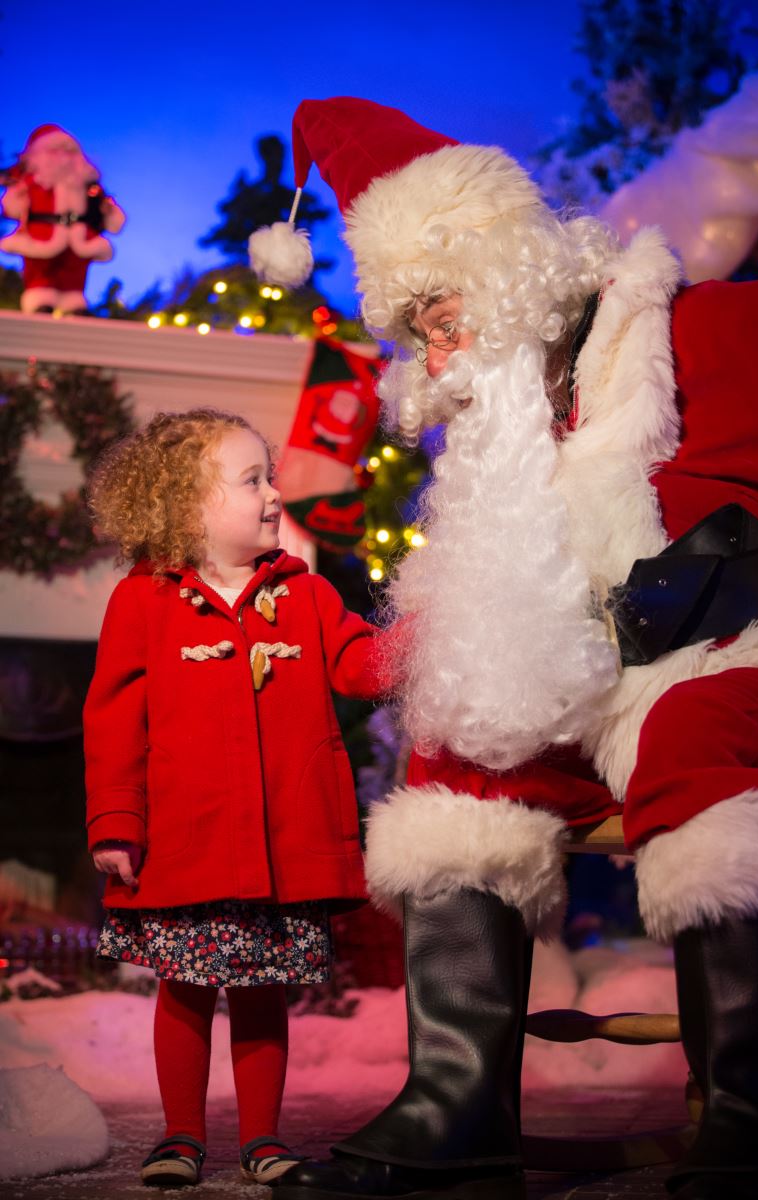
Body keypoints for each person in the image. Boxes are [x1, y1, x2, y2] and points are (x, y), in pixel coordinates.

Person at [247, 98, 758, 1200]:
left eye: (440, 313)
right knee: (455, 770)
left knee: (693, 734)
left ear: (504, 264)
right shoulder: (501, 419)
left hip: (723, 655)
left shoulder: (706, 327)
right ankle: (457, 1104)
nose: (435, 352)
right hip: (585, 686)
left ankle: (750, 1104)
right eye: (416, 331)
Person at [84, 407, 383, 1188]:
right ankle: (180, 1136)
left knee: (261, 994)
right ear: (188, 505)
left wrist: (429, 640)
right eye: (252, 479)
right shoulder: (141, 602)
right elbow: (112, 721)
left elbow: (359, 665)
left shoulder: (307, 595)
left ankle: (263, 1140)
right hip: (188, 840)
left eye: (271, 476)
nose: (274, 494)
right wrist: (117, 822)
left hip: (280, 844)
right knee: (183, 990)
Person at [0, 124, 125, 313]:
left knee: (74, 272)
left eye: (68, 151)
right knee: (40, 271)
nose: (62, 157)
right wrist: (17, 194)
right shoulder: (31, 183)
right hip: (42, 234)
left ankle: (74, 302)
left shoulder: (87, 185)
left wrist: (109, 211)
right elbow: (12, 207)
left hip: (79, 236)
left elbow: (106, 210)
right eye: (54, 151)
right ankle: (40, 300)